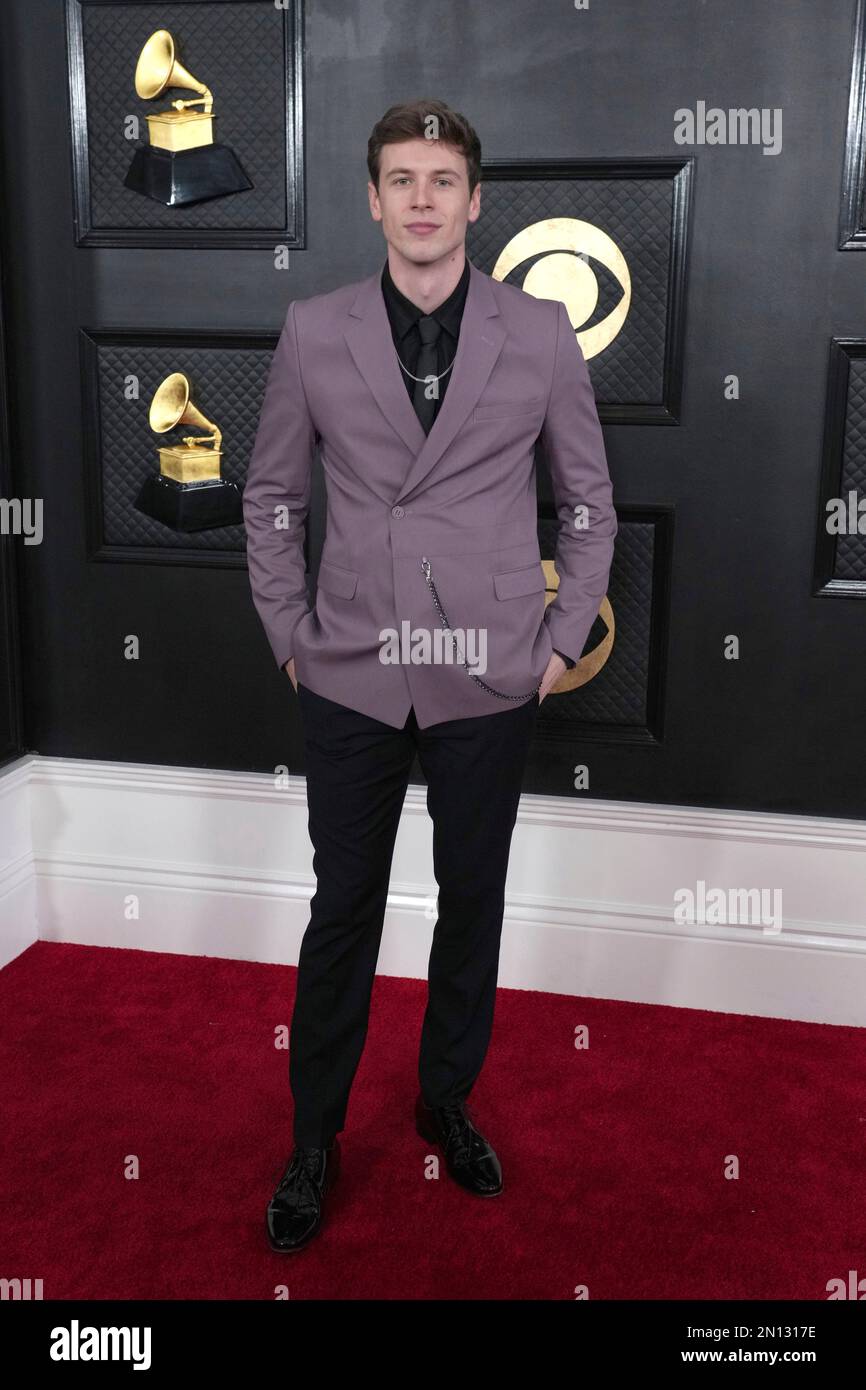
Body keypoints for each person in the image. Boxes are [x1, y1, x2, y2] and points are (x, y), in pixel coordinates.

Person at [242, 98, 617, 1253]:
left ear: (470, 198)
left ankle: (443, 1098)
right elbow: (270, 499)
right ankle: (314, 1137)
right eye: (399, 177)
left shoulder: (542, 332)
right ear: (370, 197)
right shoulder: (312, 330)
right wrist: (290, 633)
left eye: (439, 179)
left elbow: (587, 502)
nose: (419, 198)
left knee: (473, 902)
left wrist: (555, 647)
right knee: (340, 909)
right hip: (352, 667)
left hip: (487, 670)